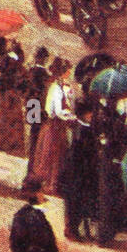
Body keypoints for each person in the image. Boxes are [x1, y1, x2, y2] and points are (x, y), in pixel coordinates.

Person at [29, 57, 73, 191]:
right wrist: (67, 115)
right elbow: (54, 109)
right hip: (51, 123)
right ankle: (47, 182)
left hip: (53, 123)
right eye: (68, 72)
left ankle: (52, 182)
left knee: (55, 153)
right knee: (49, 153)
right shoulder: (54, 87)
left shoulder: (60, 86)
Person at [59, 99, 98, 241]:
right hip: (77, 171)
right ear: (84, 114)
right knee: (75, 203)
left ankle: (74, 229)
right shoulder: (82, 130)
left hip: (78, 170)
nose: (92, 116)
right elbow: (83, 153)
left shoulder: (80, 127)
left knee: (76, 203)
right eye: (90, 114)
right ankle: (72, 230)